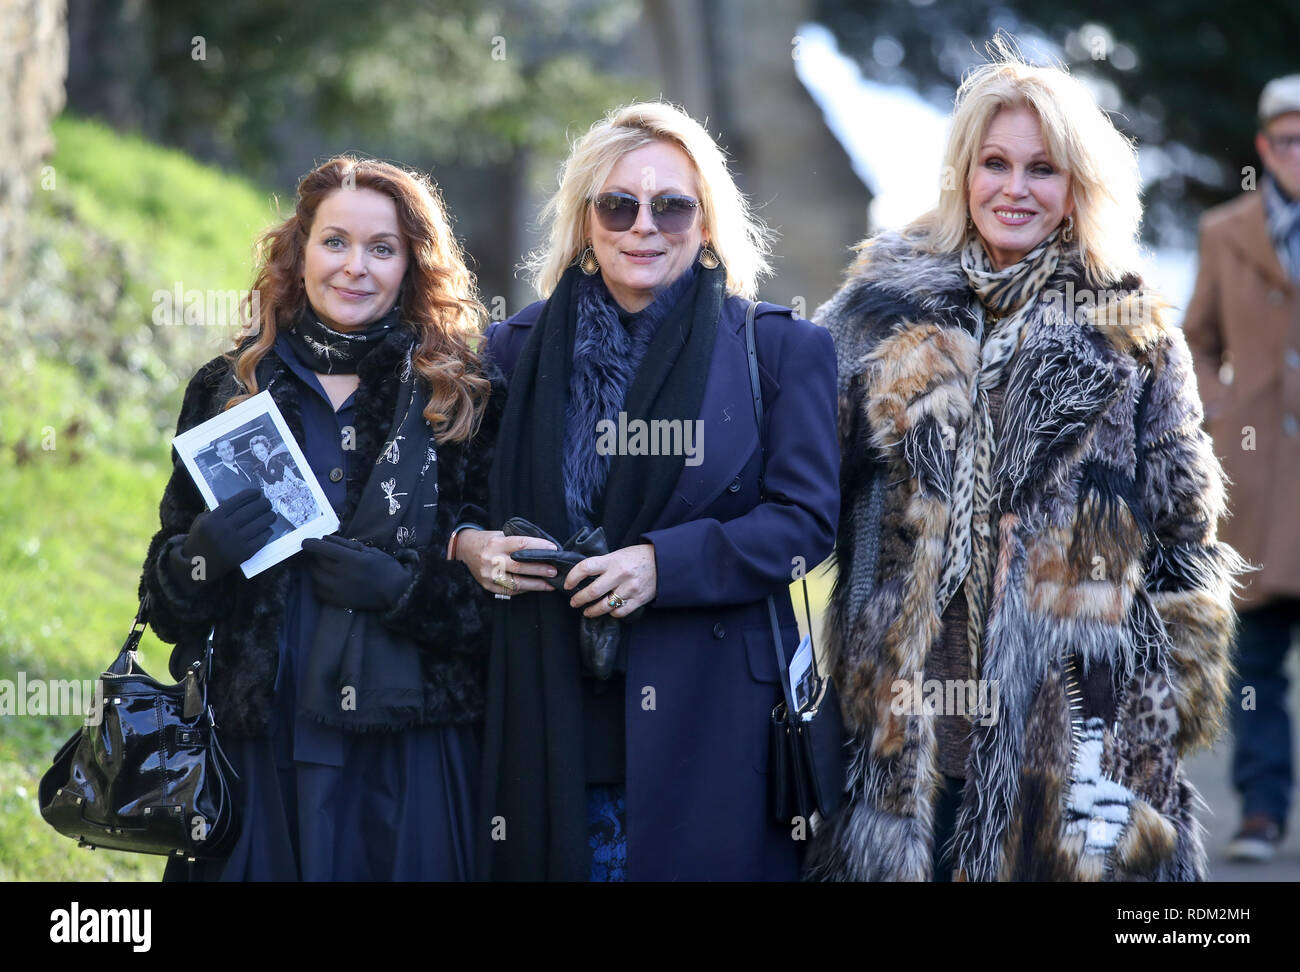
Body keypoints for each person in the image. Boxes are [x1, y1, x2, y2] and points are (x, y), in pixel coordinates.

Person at [807, 48, 1247, 881]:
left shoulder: (1131, 331)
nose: (1016, 188)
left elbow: (1186, 537)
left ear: (1079, 184)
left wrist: (1164, 712)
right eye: (995, 163)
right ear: (962, 174)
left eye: (1043, 169)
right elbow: (799, 482)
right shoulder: (876, 312)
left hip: (1079, 723)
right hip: (907, 721)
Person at [455, 101, 840, 880]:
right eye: (619, 205)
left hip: (716, 728)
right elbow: (455, 504)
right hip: (547, 717)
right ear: (586, 222)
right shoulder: (510, 351)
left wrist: (663, 565)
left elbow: (805, 524)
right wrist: (473, 547)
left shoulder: (780, 349)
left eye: (672, 205)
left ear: (706, 223)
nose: (644, 226)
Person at [137, 156, 500, 880]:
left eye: (382, 248)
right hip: (254, 742)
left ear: (412, 265)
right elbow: (164, 607)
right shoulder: (227, 388)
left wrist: (406, 594)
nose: (355, 268)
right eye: (335, 242)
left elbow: (500, 601)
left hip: (407, 755)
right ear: (299, 251)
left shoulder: (462, 400)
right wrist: (199, 556)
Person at [1183, 74, 1300, 863]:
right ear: (1266, 148)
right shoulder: (1225, 232)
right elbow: (1196, 337)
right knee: (1254, 659)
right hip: (1259, 479)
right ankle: (1261, 812)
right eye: (1289, 141)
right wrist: (1221, 413)